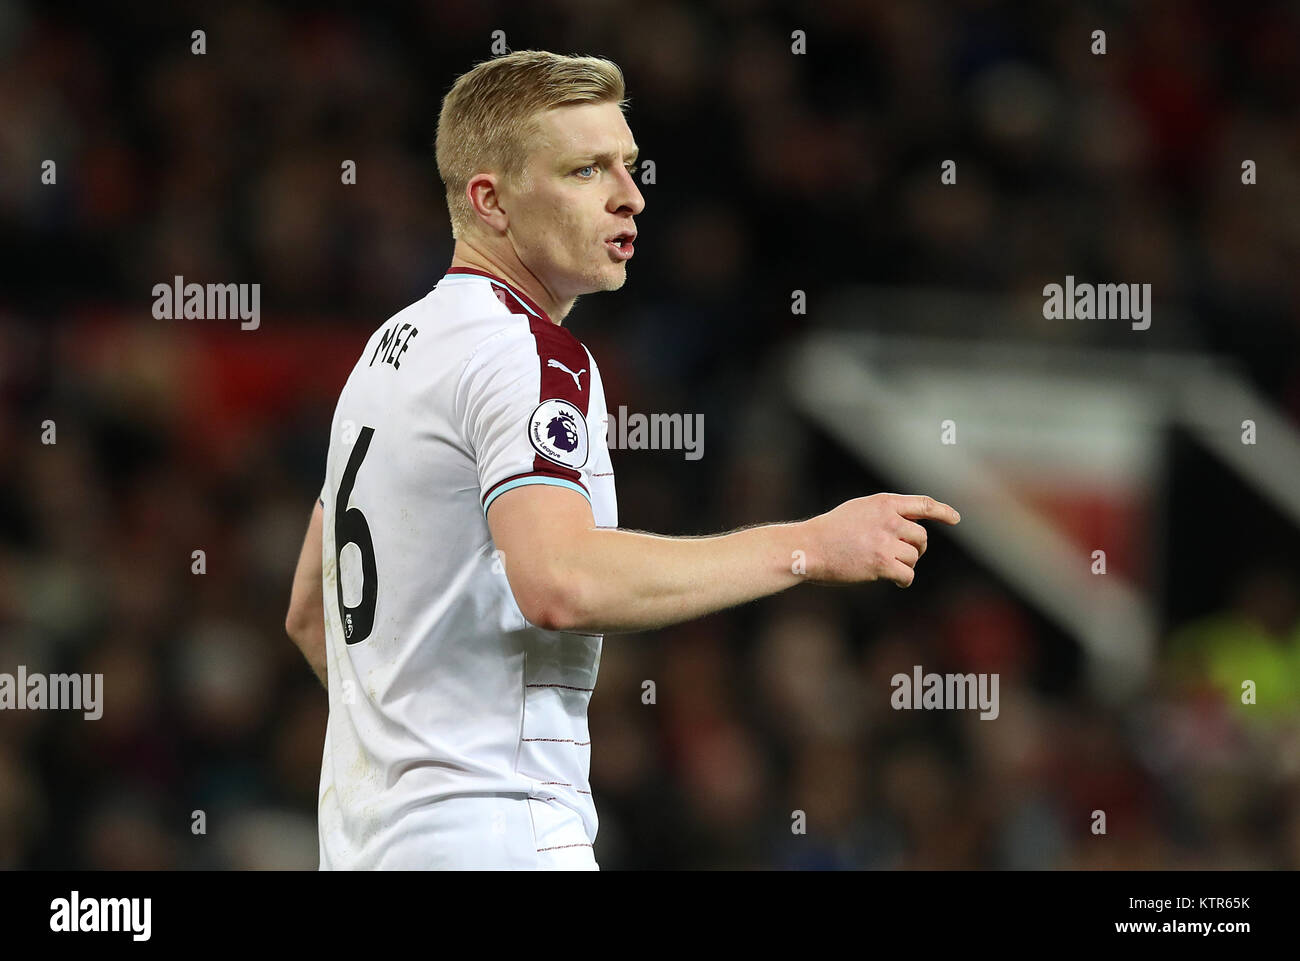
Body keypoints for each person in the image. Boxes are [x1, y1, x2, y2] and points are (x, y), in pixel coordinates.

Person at [284, 49, 960, 870]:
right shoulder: (531, 355)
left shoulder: (384, 355)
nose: (630, 195)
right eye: (585, 169)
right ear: (489, 200)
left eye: (629, 166)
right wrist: (809, 546)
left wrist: (412, 754)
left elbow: (309, 613)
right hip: (498, 835)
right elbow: (561, 581)